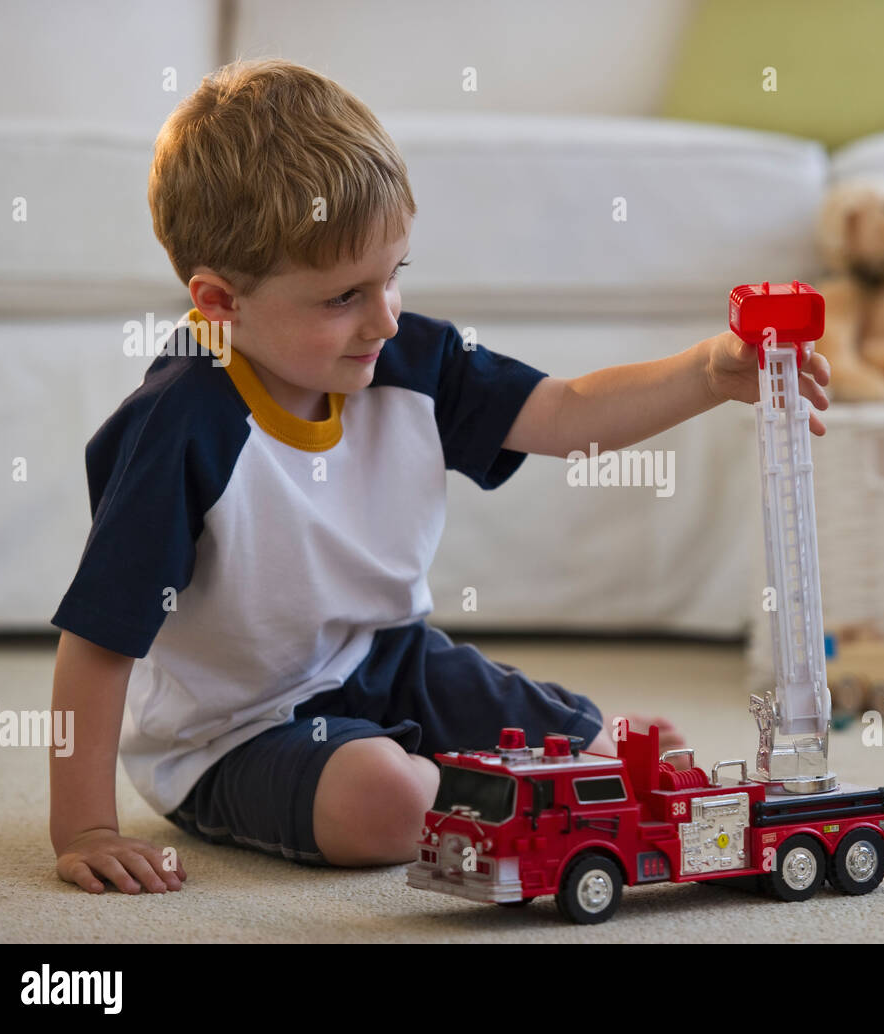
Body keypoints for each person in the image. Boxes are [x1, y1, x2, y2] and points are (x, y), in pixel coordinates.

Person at [49, 58, 830, 894]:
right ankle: (436, 786)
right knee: (392, 801)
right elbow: (97, 644)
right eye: (343, 296)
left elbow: (565, 412)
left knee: (596, 758)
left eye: (394, 276)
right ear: (219, 302)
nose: (384, 316)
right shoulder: (178, 425)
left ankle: (490, 774)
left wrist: (708, 372)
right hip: (233, 732)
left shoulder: (408, 356)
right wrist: (85, 827)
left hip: (391, 663)